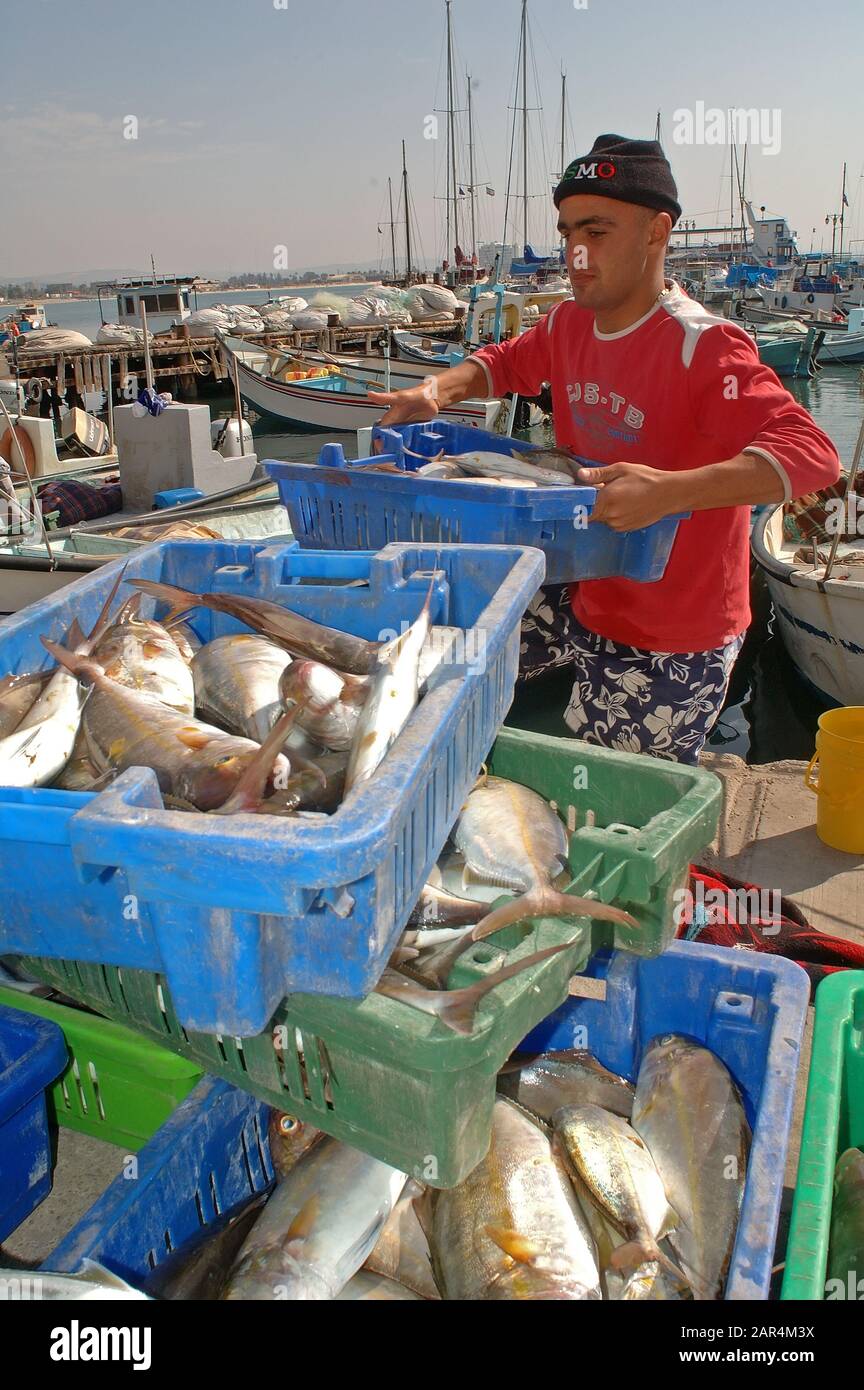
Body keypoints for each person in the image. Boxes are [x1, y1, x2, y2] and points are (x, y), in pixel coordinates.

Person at [368, 134, 840, 764]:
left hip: (674, 631)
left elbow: (812, 452)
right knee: (436, 649)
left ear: (657, 232)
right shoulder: (569, 324)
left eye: (597, 230)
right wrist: (437, 387)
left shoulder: (704, 347)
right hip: (580, 582)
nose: (576, 254)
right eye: (566, 233)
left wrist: (669, 492)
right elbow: (506, 360)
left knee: (613, 789)